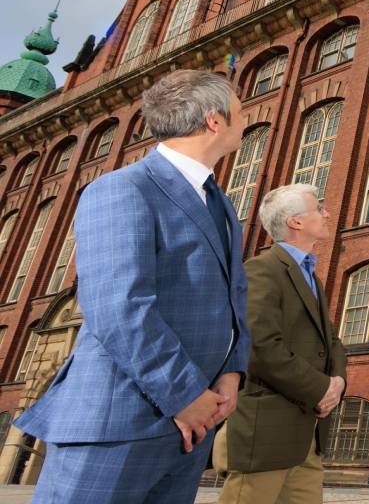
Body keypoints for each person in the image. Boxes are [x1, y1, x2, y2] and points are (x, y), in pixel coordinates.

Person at [17, 70, 250, 503]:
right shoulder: (122, 189)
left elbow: (233, 297)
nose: (246, 115)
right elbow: (120, 309)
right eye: (239, 108)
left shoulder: (219, 203)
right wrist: (185, 395)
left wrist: (232, 371)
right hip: (119, 423)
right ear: (214, 121)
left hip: (189, 427)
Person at [214, 183, 347, 503]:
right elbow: (260, 346)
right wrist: (320, 388)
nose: (326, 213)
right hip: (267, 438)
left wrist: (338, 382)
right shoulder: (263, 269)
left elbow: (330, 339)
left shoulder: (310, 276)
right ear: (295, 222)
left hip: (305, 438)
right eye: (319, 208)